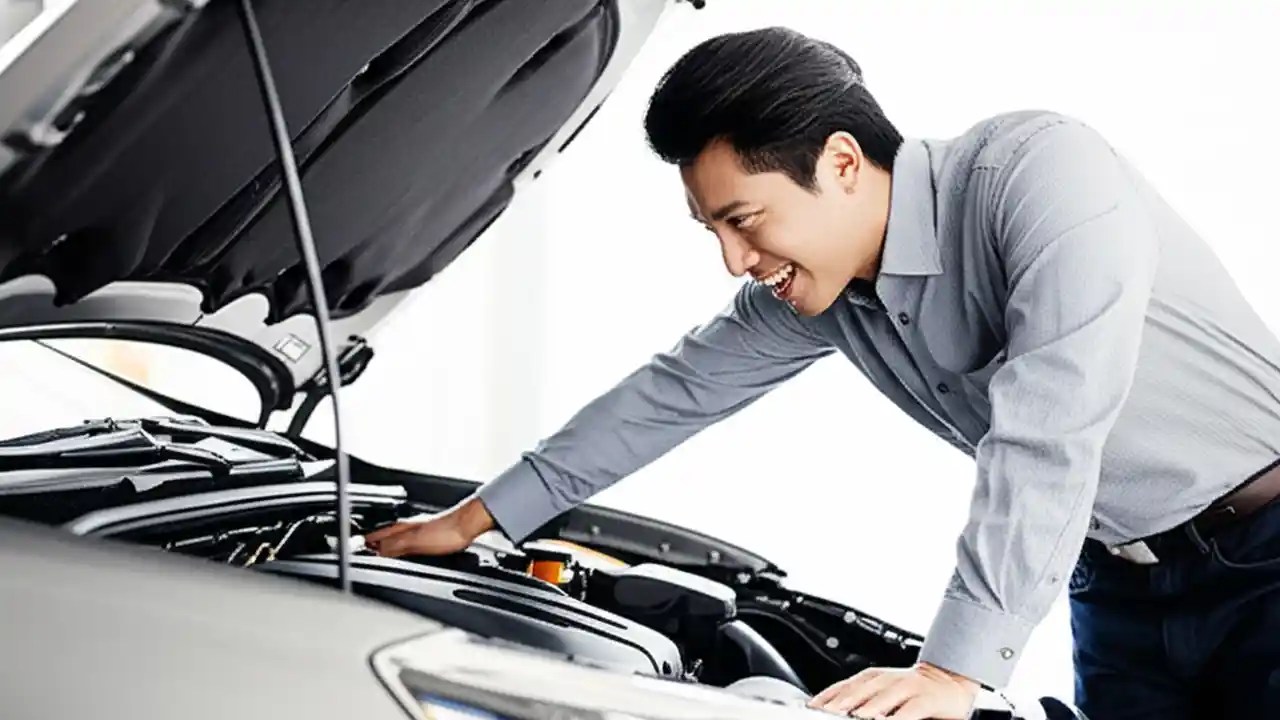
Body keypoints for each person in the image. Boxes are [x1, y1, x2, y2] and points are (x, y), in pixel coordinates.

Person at [367, 27, 1280, 720]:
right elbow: (671, 393)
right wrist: (475, 519)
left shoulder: (1041, 176)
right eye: (714, 230)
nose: (734, 259)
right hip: (1115, 588)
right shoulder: (825, 292)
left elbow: (1050, 428)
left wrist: (951, 670)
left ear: (842, 163)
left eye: (745, 219)